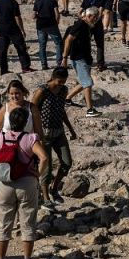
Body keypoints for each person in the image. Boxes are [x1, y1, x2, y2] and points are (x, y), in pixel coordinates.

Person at [0, 105, 49, 259]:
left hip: (5, 184)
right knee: (28, 223)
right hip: (27, 183)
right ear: (25, 122)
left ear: (9, 122)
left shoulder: (0, 137)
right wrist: (37, 174)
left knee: (4, 223)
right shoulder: (30, 138)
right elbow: (44, 158)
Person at [33, 68, 75, 208]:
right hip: (44, 134)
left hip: (59, 132)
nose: (61, 84)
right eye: (59, 81)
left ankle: (54, 189)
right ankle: (46, 198)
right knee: (47, 167)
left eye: (63, 82)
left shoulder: (63, 90)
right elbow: (32, 111)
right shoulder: (42, 91)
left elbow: (62, 110)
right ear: (52, 78)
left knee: (67, 162)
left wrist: (71, 129)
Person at [61, 8, 100, 116]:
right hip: (79, 59)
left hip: (85, 58)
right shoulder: (80, 25)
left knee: (84, 82)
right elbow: (68, 39)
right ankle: (90, 110)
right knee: (87, 82)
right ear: (89, 16)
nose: (96, 20)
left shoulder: (86, 25)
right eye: (95, 17)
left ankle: (67, 98)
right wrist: (64, 57)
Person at [0, 0, 33, 75]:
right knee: (21, 47)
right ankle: (25, 67)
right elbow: (17, 18)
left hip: (2, 29)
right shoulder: (13, 2)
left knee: (3, 51)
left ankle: (3, 70)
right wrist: (22, 30)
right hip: (13, 28)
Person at [32, 0, 61, 71]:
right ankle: (59, 63)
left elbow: (33, 16)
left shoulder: (37, 2)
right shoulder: (53, 1)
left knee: (42, 45)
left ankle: (44, 64)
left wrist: (38, 17)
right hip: (51, 24)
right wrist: (57, 22)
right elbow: (57, 13)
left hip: (41, 25)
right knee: (58, 43)